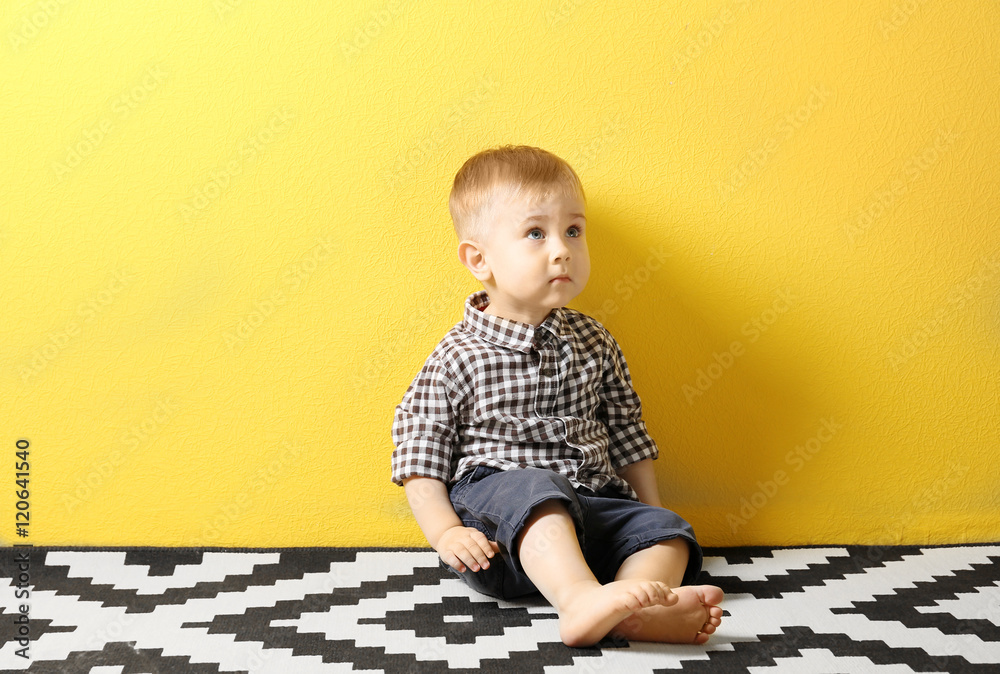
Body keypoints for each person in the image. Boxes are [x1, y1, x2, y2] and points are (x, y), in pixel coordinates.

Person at [390, 145, 723, 648]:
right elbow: (419, 449)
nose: (562, 249)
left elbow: (627, 434)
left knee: (671, 531)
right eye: (535, 233)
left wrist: (648, 514)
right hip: (503, 539)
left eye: (573, 231)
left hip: (593, 513)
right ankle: (579, 601)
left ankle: (631, 606)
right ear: (479, 259)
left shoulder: (594, 340)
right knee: (539, 489)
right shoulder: (460, 355)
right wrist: (445, 534)